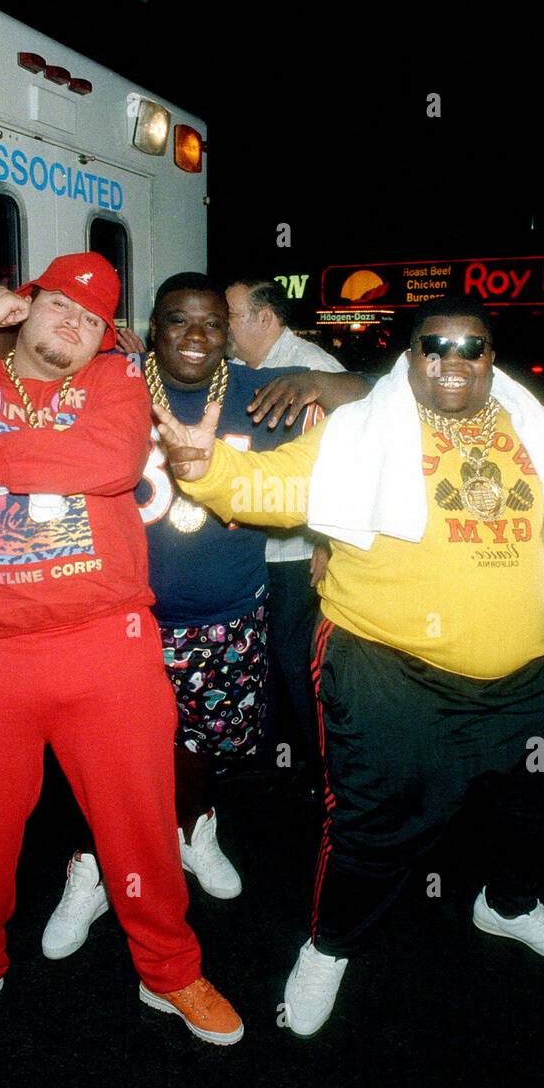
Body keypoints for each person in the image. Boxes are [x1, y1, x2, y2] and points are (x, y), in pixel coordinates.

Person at [152, 297, 544, 1037]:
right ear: (409, 358)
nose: (452, 361)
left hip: (532, 675)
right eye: (433, 346)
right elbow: (275, 486)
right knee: (376, 829)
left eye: (470, 348)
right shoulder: (360, 433)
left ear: (489, 359)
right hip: (392, 674)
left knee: (537, 806)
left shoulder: (530, 429)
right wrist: (208, 468)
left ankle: (506, 907)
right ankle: (329, 946)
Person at [0, 254, 245, 1059]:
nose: (74, 327)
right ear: (24, 306)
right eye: (59, 308)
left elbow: (108, 458)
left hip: (101, 648)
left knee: (140, 824)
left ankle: (169, 968)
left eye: (91, 320)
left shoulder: (113, 383)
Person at [39, 273, 370, 954]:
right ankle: (91, 863)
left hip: (226, 614)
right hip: (120, 615)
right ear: (152, 328)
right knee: (101, 750)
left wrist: (317, 385)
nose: (196, 337)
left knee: (198, 744)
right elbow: (7, 376)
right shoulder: (113, 388)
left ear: (227, 331)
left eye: (212, 324)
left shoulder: (261, 395)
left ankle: (193, 826)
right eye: (178, 322)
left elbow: (377, 402)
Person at [226, 277, 345, 799]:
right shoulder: (237, 369)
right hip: (252, 546)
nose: (220, 325)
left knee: (298, 658)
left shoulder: (316, 370)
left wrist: (326, 537)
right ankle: (278, 754)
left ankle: (325, 770)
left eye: (228, 315)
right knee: (265, 655)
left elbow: (349, 460)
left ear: (264, 318)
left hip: (298, 550)